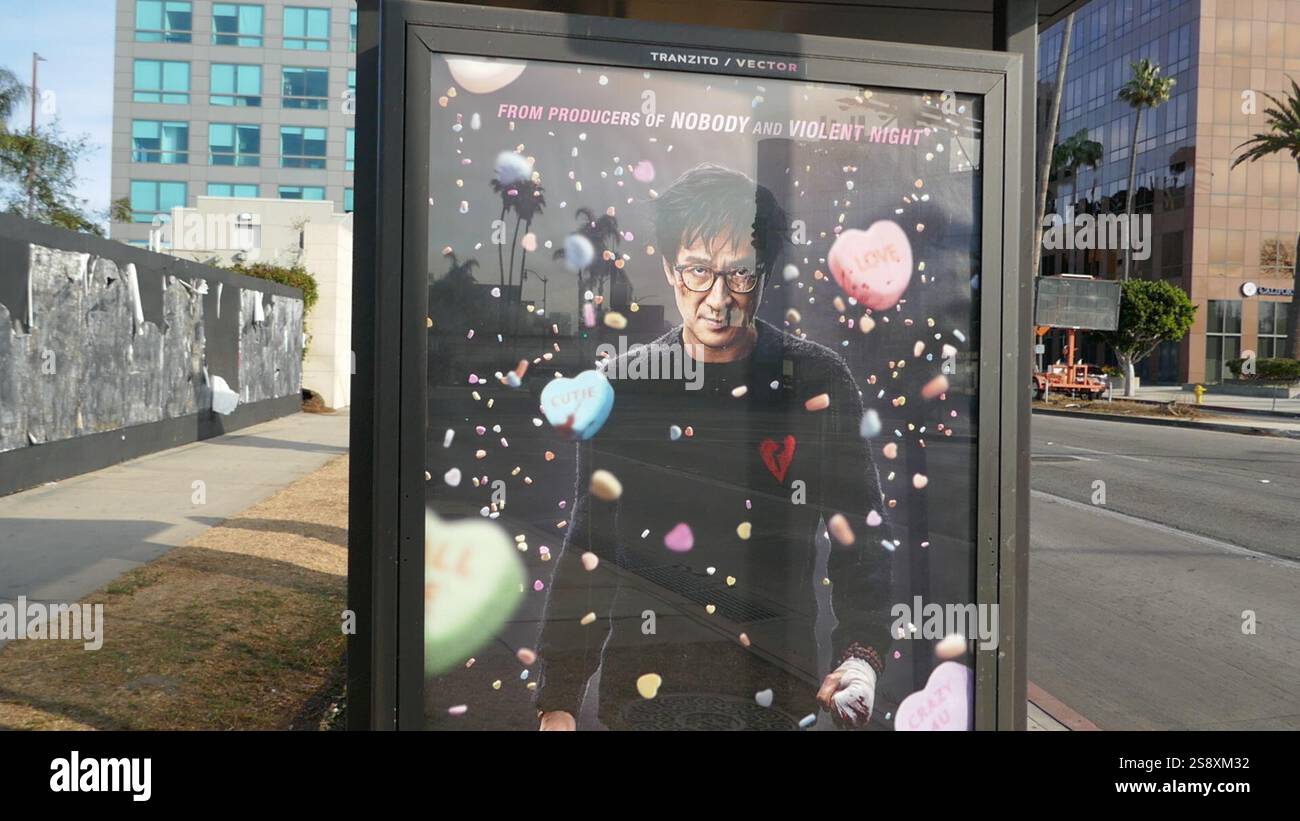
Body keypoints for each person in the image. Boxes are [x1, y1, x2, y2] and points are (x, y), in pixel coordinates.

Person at [535, 162, 894, 731]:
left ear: (766, 275)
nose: (718, 298)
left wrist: (863, 654)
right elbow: (591, 543)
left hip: (775, 693)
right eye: (697, 271)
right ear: (669, 268)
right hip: (642, 698)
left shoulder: (817, 379)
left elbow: (862, 537)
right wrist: (558, 700)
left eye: (741, 275)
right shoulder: (624, 386)